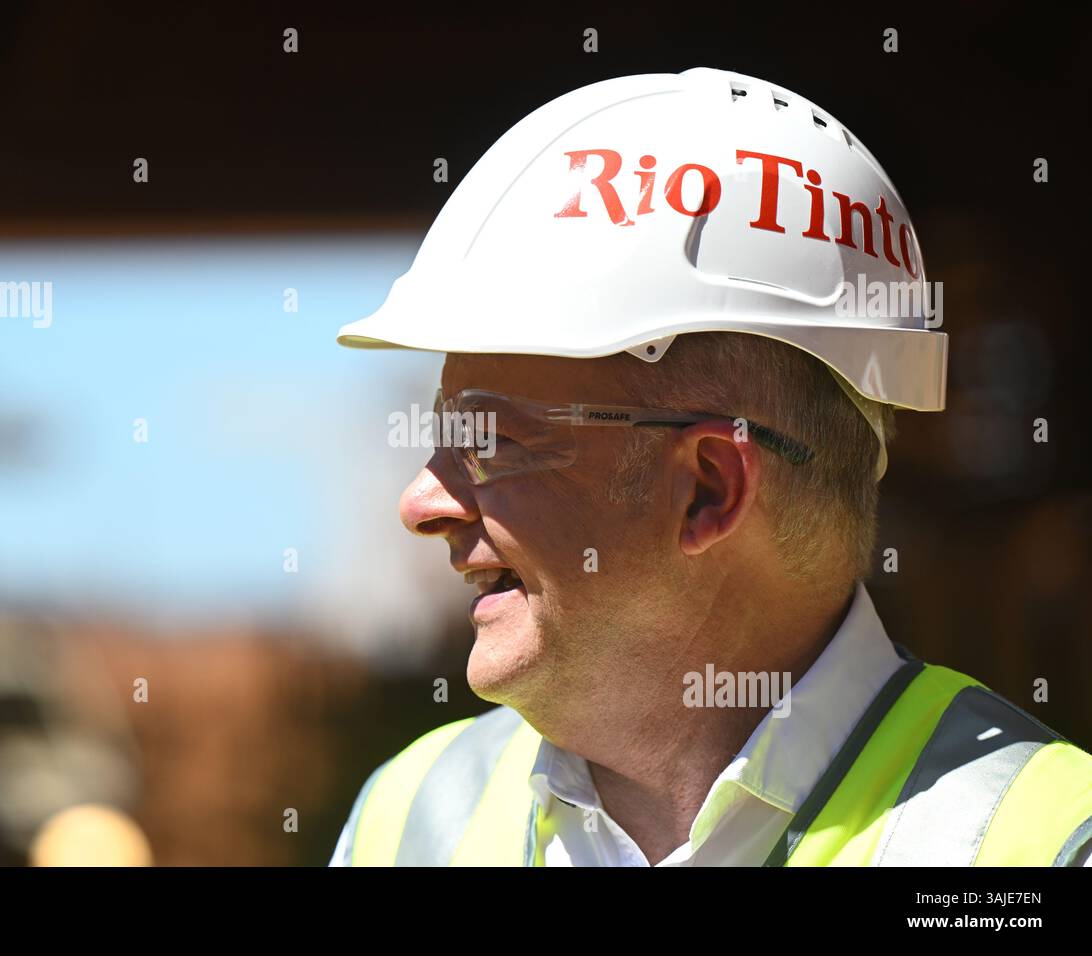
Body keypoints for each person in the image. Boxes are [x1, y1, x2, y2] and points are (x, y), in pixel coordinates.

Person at [326, 68, 1092, 866]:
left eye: (492, 441)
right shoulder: (408, 820)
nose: (421, 504)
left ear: (709, 489)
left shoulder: (1043, 847)